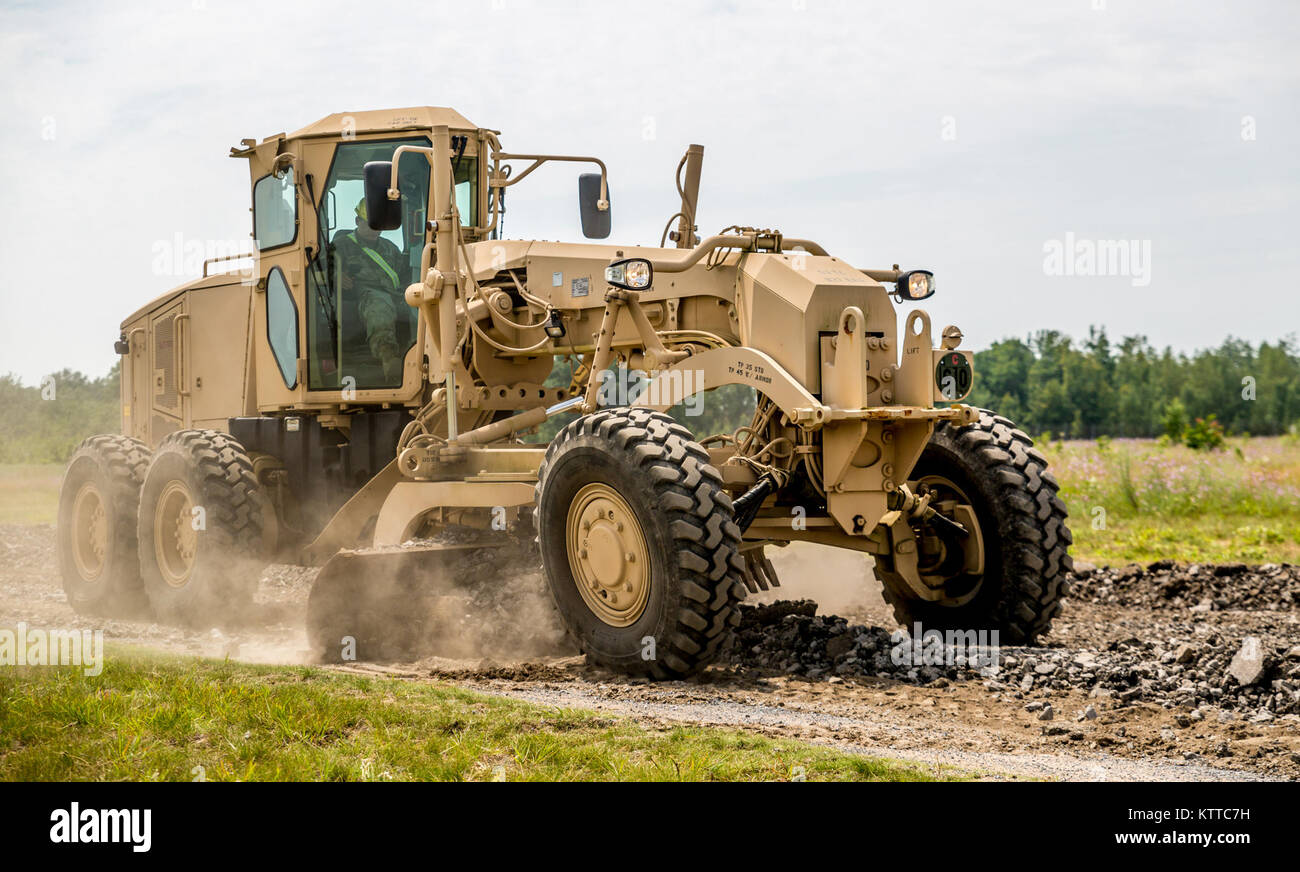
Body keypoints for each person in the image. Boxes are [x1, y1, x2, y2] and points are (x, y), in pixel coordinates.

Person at [333, 198, 410, 385]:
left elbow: (405, 275)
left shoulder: (390, 249)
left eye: (379, 225)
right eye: (371, 224)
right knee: (379, 306)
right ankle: (389, 359)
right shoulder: (341, 245)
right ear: (357, 221)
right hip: (366, 294)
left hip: (396, 294)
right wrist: (336, 276)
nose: (376, 229)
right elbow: (319, 269)